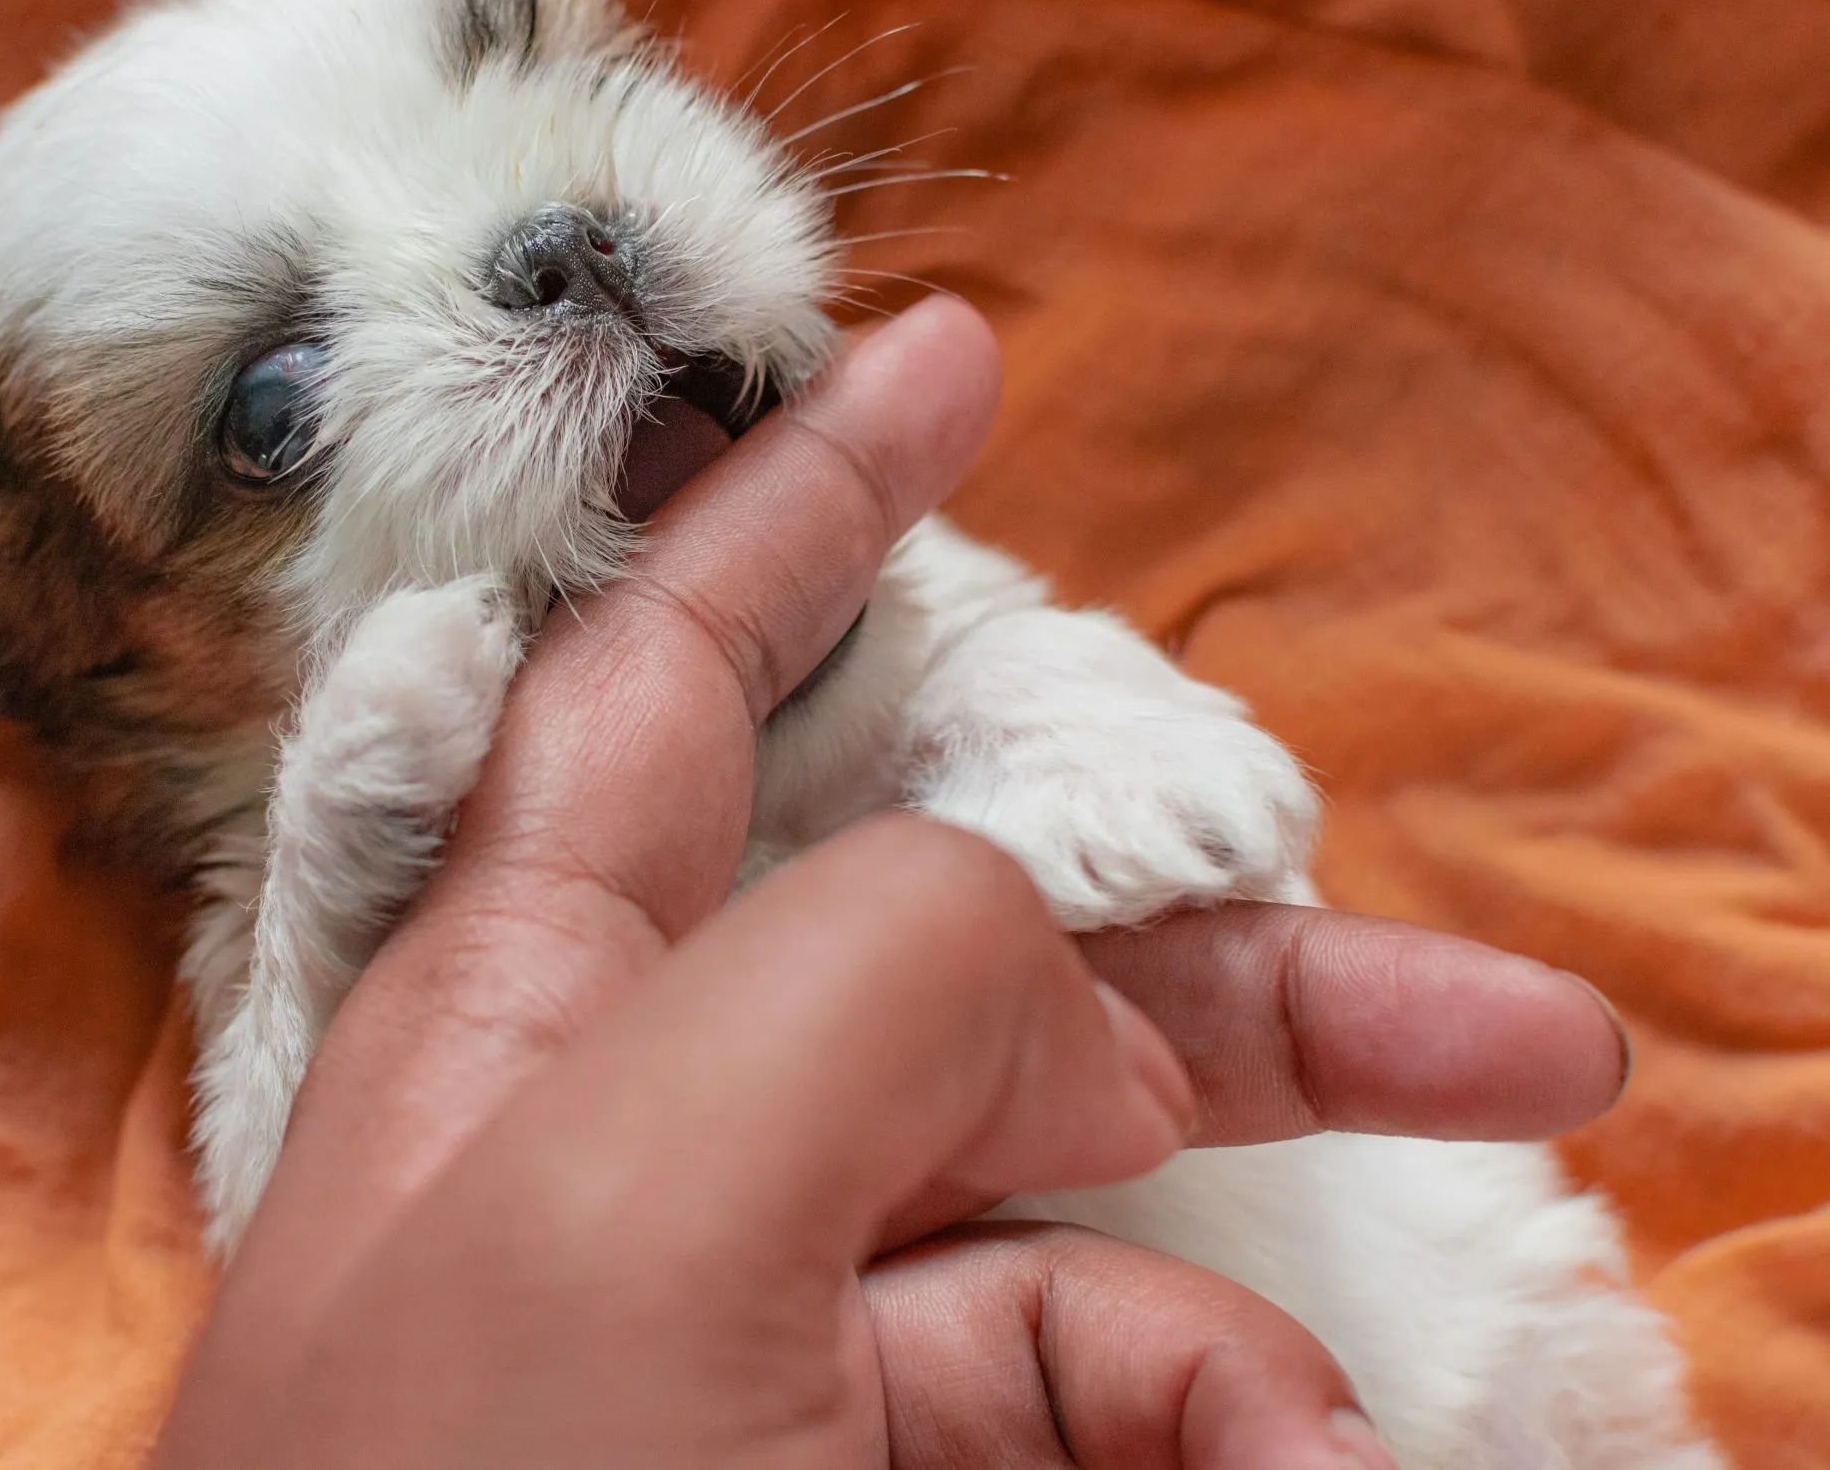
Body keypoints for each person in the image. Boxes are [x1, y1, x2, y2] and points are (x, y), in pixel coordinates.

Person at [150, 297, 1632, 1470]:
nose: (558, 269)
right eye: (278, 414)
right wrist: (336, 910)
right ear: (120, 655)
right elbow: (332, 1254)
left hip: (1467, 1350)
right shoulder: (296, 905)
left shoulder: (874, 570)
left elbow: (1166, 813)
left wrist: (1032, 708)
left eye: (551, 75)